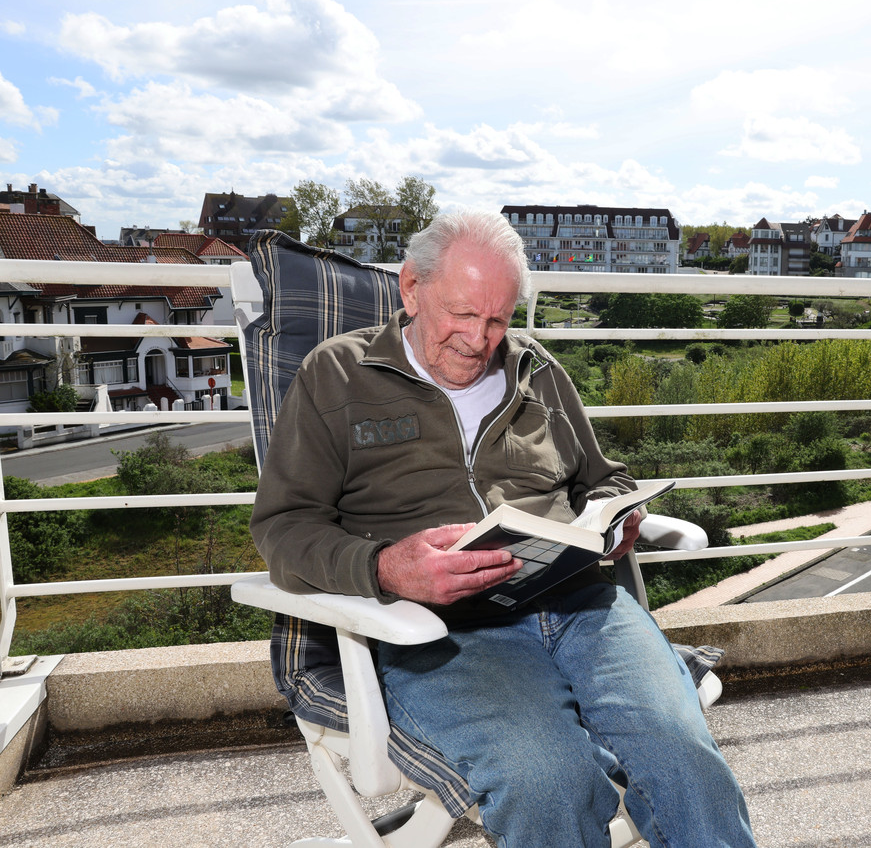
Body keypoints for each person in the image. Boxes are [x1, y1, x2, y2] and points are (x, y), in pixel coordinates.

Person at [250, 210, 756, 848]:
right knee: (546, 780)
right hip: (447, 632)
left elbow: (601, 478)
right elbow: (283, 529)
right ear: (411, 290)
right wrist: (384, 566)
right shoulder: (337, 375)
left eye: (498, 319)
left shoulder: (535, 368)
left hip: (580, 604)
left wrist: (618, 515)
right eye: (461, 315)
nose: (478, 339)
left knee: (683, 754)